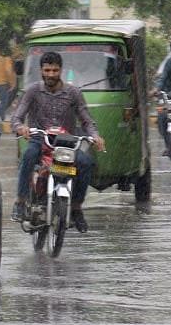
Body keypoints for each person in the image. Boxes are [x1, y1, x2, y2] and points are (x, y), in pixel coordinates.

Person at [10, 51, 106, 233]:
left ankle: (77, 207)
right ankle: (20, 201)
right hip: (40, 139)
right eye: (47, 70)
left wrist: (95, 135)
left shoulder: (73, 93)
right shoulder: (32, 91)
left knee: (86, 163)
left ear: (61, 70)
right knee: (29, 156)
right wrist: (20, 127)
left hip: (65, 142)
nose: (51, 74)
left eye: (55, 70)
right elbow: (17, 117)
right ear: (41, 71)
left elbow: (86, 120)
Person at [0, 51, 17, 122]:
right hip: (3, 83)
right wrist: (12, 83)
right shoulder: (7, 59)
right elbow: (8, 70)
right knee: (4, 103)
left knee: (2, 102)